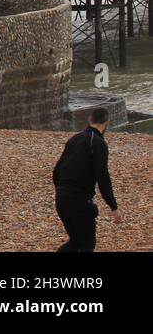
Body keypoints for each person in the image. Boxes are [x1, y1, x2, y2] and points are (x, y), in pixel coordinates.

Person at [52, 108, 121, 252]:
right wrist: (113, 206)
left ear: (90, 119)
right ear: (107, 123)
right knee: (87, 244)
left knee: (75, 242)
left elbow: (56, 171)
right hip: (79, 200)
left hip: (61, 198)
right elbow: (103, 177)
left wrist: (61, 192)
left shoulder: (74, 139)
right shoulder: (98, 143)